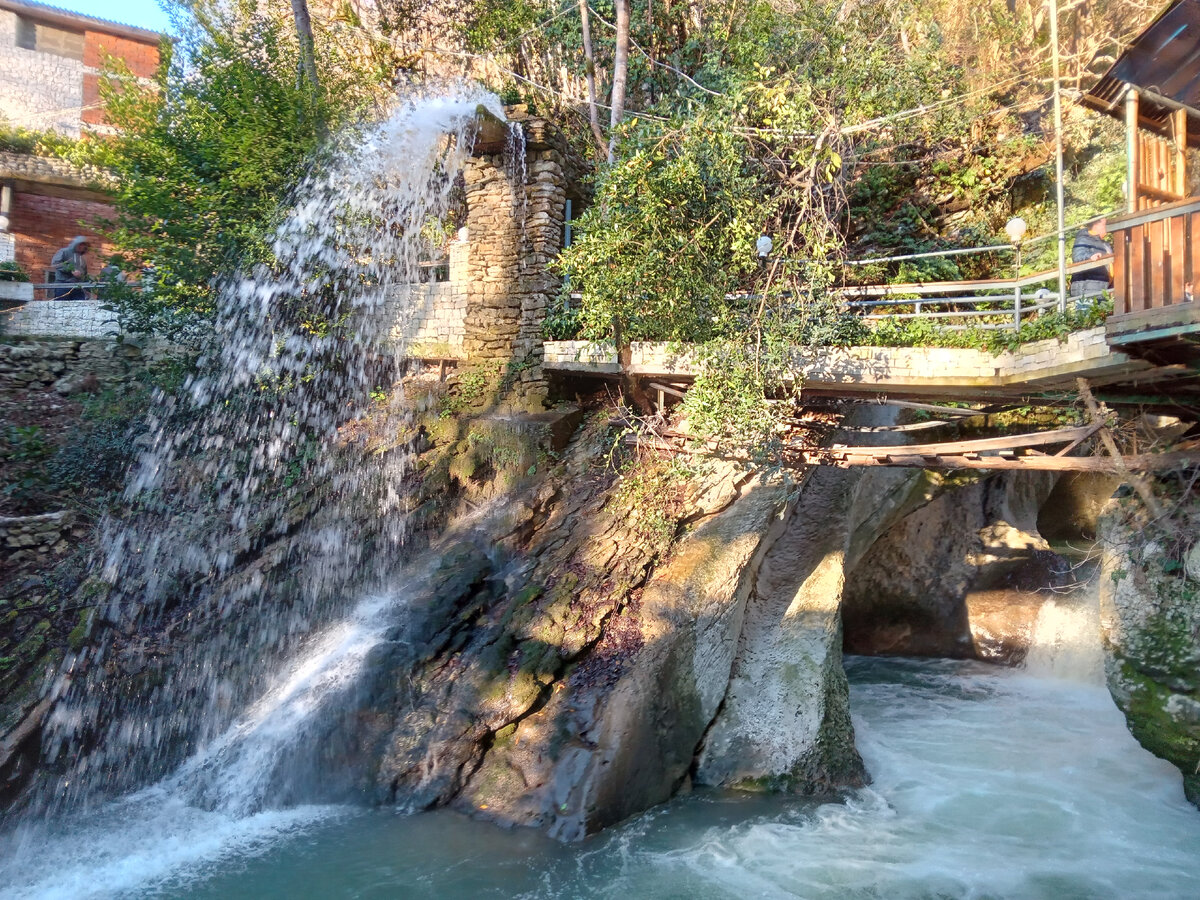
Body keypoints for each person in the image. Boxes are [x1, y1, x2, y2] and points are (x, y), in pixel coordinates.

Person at [1069, 218, 1110, 306]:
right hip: (1086, 288)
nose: (1107, 226)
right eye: (1105, 224)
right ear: (1096, 225)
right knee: (1087, 317)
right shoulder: (1083, 240)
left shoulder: (1105, 244)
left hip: (1102, 287)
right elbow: (1077, 257)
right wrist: (1090, 257)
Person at [50, 236, 90, 300]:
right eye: (80, 245)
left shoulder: (82, 259)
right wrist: (71, 270)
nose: (82, 247)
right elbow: (55, 264)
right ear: (75, 244)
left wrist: (87, 289)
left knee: (79, 307)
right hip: (63, 285)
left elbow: (85, 274)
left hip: (77, 287)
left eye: (84, 245)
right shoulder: (64, 252)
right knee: (61, 307)